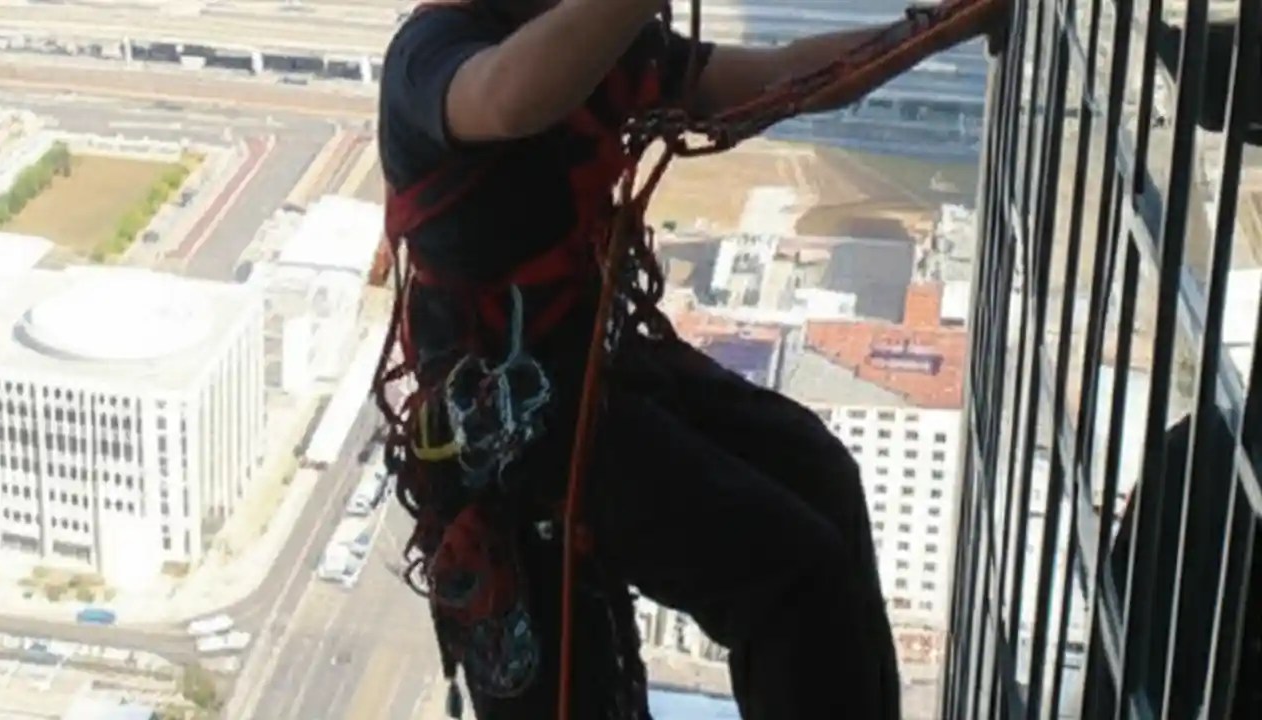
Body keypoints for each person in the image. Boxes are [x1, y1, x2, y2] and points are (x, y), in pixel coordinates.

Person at [375, 1, 1009, 718]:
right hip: (511, 428)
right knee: (787, 574)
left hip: (586, 373)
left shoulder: (603, 50)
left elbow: (782, 77)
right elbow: (510, 97)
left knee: (817, 470)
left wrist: (940, 27)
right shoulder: (431, 53)